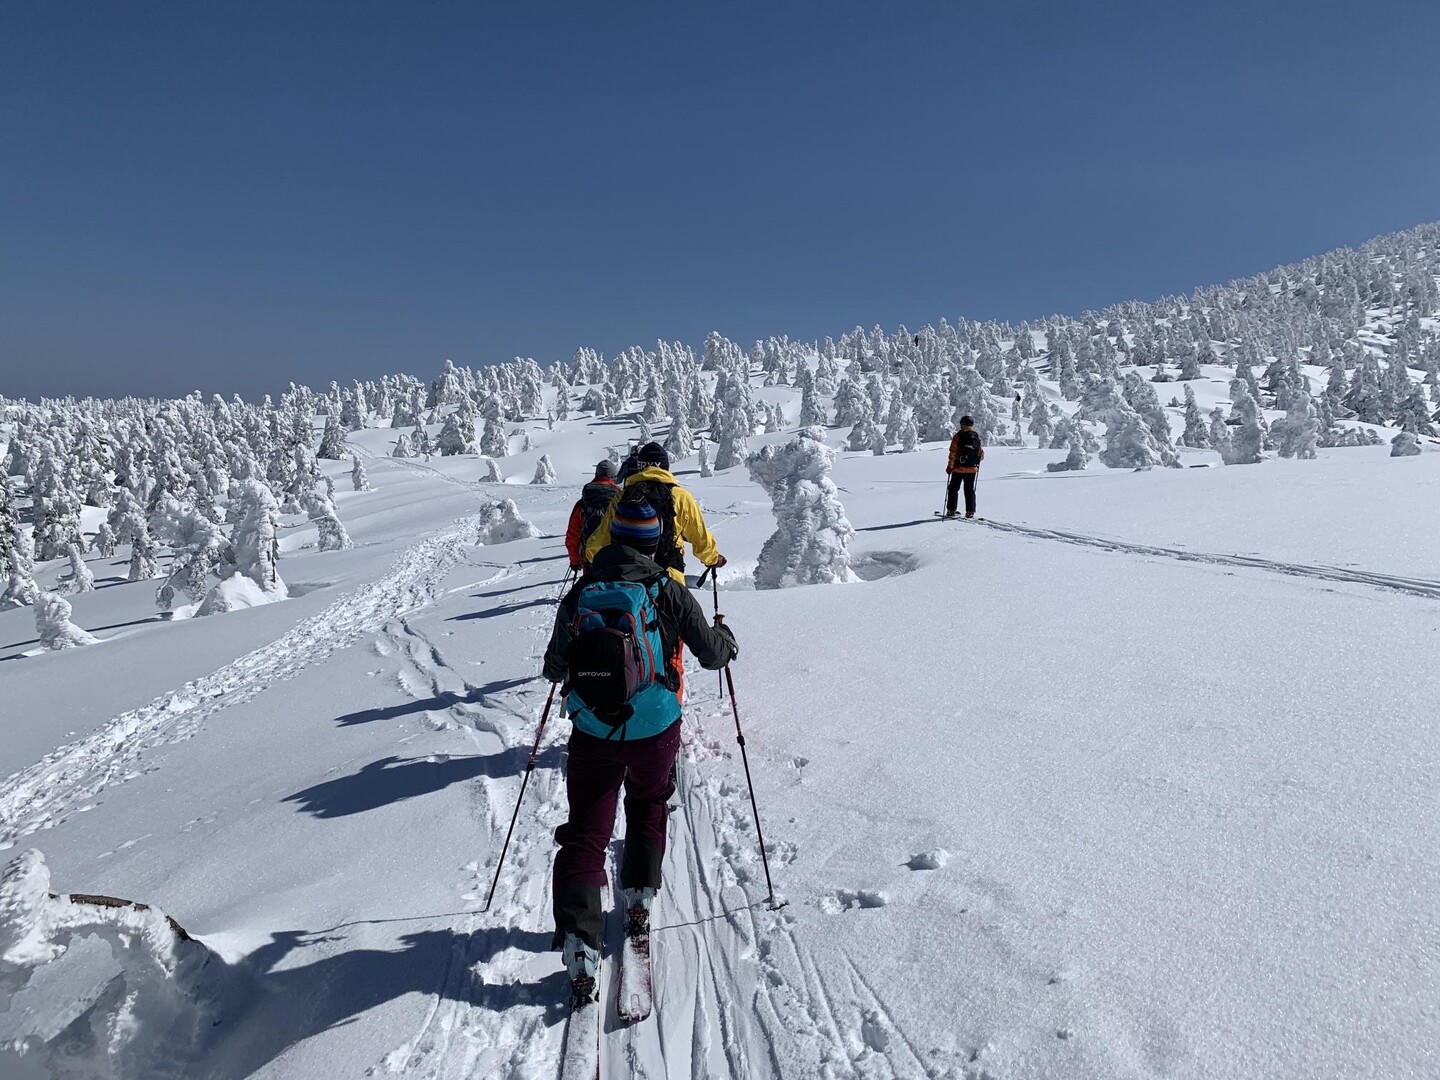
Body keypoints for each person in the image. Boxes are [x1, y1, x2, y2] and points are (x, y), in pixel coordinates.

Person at [543, 498, 738, 999]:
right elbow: (711, 653)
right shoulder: (667, 589)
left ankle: (579, 940)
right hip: (655, 727)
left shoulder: (583, 591)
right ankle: (639, 894)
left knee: (587, 830)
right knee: (649, 802)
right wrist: (727, 638)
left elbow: (553, 667)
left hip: (594, 729)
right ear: (654, 544)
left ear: (613, 539)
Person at [583, 441, 725, 587]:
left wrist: (595, 559)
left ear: (640, 467)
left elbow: (598, 543)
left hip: (628, 577)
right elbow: (700, 536)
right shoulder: (680, 496)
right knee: (681, 602)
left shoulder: (623, 496)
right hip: (668, 578)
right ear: (665, 468)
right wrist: (713, 559)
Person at [564, 459, 619, 572]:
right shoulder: (620, 500)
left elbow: (573, 535)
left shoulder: (583, 503)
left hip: (589, 558)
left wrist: (575, 561)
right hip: (616, 558)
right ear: (613, 477)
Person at [945, 415, 985, 518]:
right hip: (972, 469)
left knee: (953, 489)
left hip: (958, 468)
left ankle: (951, 510)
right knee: (969, 490)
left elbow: (953, 453)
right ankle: (970, 511)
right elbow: (981, 454)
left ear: (962, 425)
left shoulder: (958, 436)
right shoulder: (975, 436)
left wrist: (950, 467)